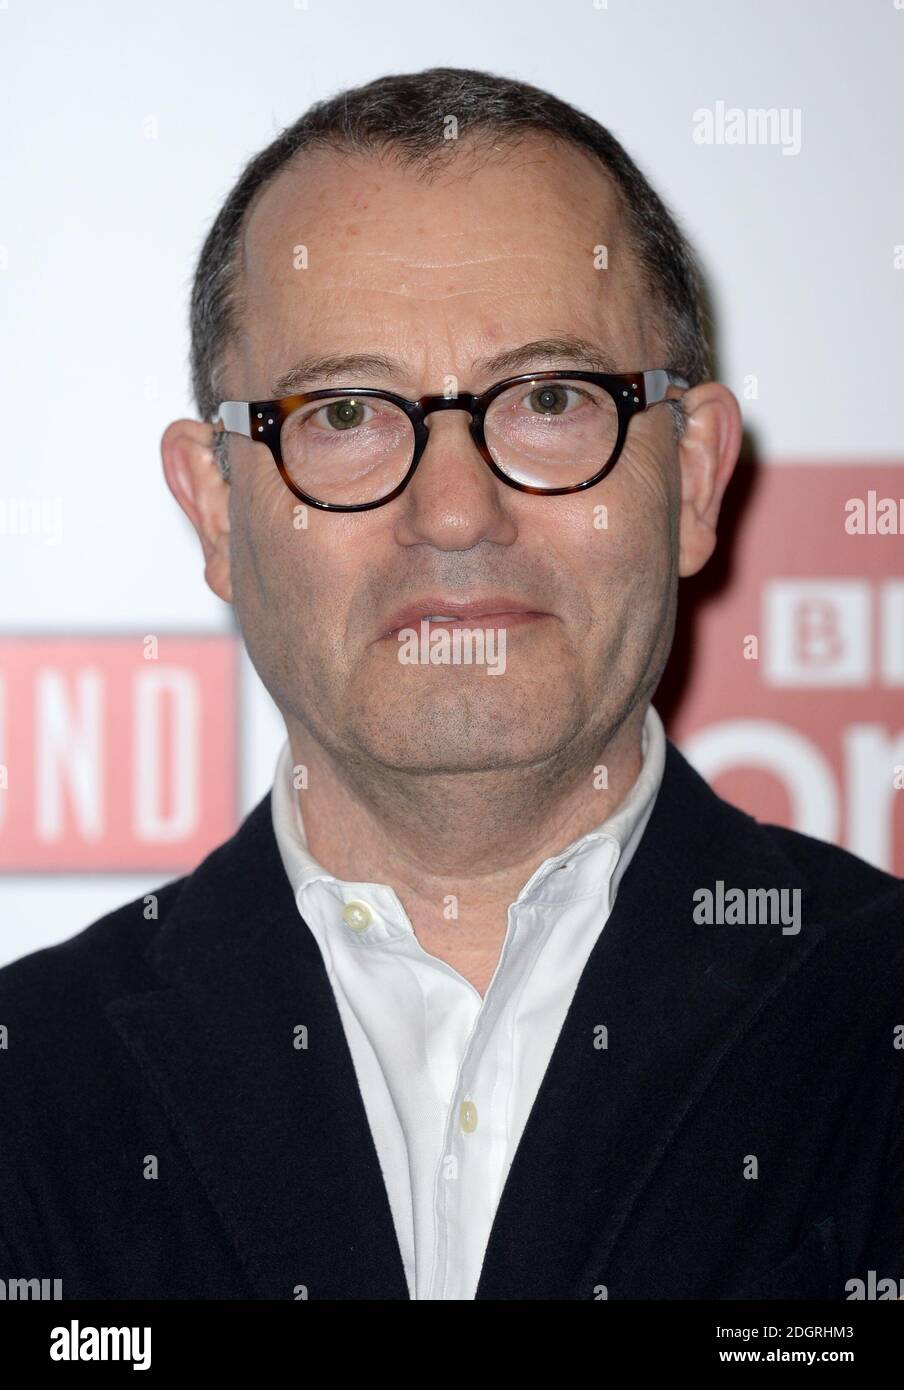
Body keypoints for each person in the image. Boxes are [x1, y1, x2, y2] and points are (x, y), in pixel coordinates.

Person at [1, 67, 901, 1302]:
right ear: (215, 505)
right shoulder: (27, 1088)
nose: (454, 511)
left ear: (691, 479)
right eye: (346, 414)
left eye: (546, 399)